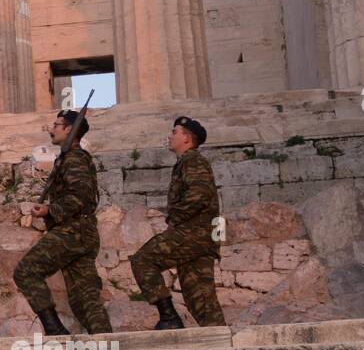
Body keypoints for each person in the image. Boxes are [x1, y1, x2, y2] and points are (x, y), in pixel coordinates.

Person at [13, 111, 110, 336]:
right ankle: (107, 343)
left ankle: (54, 328)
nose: (51, 129)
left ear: (69, 130)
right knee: (84, 299)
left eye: (57, 125)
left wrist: (50, 209)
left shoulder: (74, 158)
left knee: (26, 271)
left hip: (73, 231)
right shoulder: (69, 157)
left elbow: (81, 196)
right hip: (82, 233)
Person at [130, 116, 225, 330]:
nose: (169, 136)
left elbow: (200, 195)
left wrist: (174, 218)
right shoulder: (188, 161)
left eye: (174, 132)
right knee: (200, 298)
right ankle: (219, 343)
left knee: (143, 259)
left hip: (194, 234)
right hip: (202, 239)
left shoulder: (192, 160)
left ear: (187, 138)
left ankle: (169, 317)